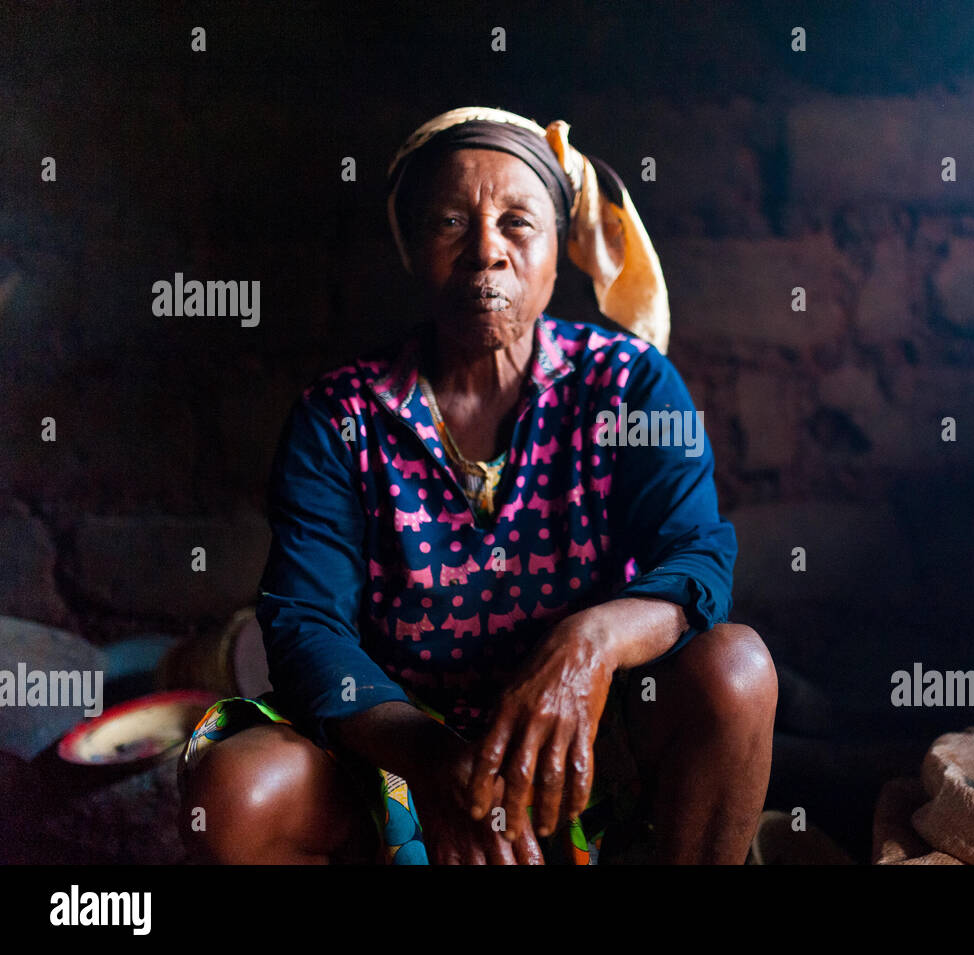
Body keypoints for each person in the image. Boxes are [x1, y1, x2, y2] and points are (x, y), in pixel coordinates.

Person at [178, 106, 778, 865]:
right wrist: (433, 761)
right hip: (397, 752)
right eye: (451, 223)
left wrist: (588, 643)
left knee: (736, 670)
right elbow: (306, 623)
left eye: (518, 223)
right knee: (237, 793)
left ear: (558, 248)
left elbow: (697, 560)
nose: (486, 251)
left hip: (585, 741)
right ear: (412, 247)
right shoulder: (342, 416)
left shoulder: (630, 386)